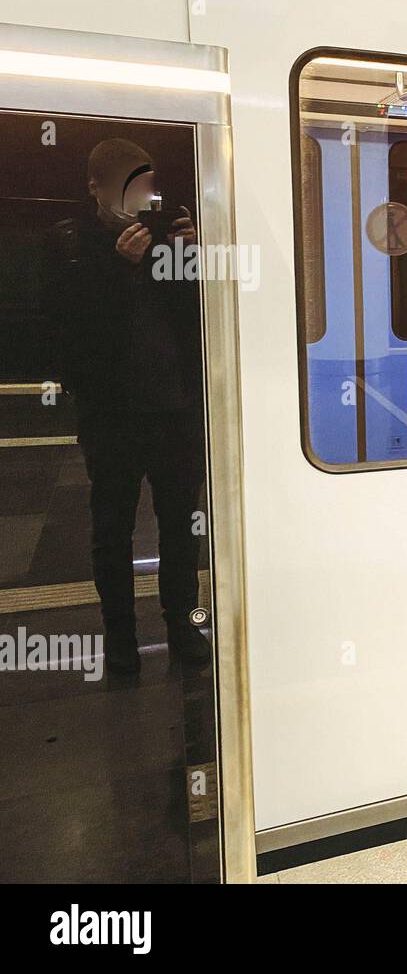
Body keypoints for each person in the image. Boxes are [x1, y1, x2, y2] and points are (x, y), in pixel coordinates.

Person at [45, 138, 210, 674]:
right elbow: (70, 340)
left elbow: (196, 324)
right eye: (125, 188)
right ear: (94, 187)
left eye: (144, 186)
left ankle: (184, 627)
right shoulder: (70, 244)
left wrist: (195, 256)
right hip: (111, 417)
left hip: (174, 409)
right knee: (111, 529)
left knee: (182, 527)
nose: (139, 198)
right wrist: (119, 270)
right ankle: (120, 639)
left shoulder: (170, 238)